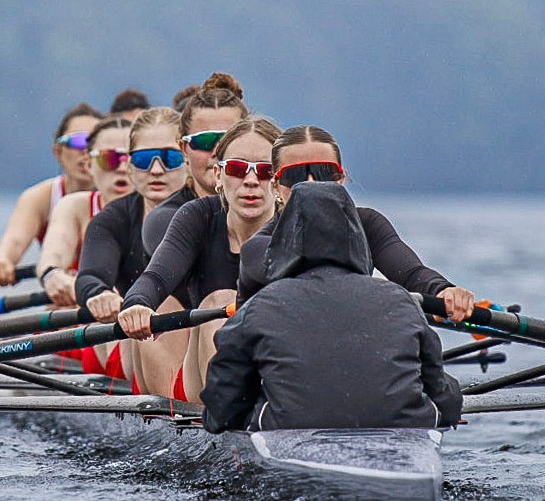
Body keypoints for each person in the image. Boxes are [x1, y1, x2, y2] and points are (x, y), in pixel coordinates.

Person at [199, 181, 464, 433]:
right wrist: (450, 406)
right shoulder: (401, 300)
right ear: (356, 237)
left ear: (286, 240)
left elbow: (222, 401)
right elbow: (443, 394)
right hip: (405, 425)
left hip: (286, 428)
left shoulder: (260, 305)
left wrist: (217, 421)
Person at [238, 125, 477, 322]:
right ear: (276, 186)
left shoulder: (368, 224)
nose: (311, 185)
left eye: (323, 172)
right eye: (296, 176)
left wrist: (442, 291)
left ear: (340, 179)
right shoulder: (259, 245)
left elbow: (412, 273)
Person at [117, 115, 281, 402]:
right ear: (218, 176)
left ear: (279, 182)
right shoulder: (197, 217)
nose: (251, 181)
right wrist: (138, 304)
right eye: (237, 169)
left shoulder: (296, 227)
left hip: (279, 371)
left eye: (265, 171)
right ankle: (228, 415)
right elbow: (156, 276)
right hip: (198, 385)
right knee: (218, 303)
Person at [72, 107, 192, 393]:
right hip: (135, 344)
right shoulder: (113, 219)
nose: (156, 170)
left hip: (200, 342)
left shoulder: (212, 212)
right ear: (129, 166)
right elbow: (90, 276)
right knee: (159, 303)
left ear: (188, 159)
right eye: (142, 159)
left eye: (169, 158)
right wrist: (99, 294)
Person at [0, 102, 103, 285]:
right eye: (78, 141)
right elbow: (15, 241)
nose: (86, 151)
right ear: (57, 151)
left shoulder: (119, 195)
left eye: (95, 143)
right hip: (63, 297)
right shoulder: (40, 197)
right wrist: (3, 261)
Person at [142, 73, 250, 252]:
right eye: (204, 141)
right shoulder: (165, 220)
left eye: (227, 140)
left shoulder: (275, 213)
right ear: (184, 149)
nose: (217, 151)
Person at [35, 114, 134, 307]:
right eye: (109, 158)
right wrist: (53, 275)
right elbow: (54, 254)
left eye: (130, 158)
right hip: (83, 318)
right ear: (89, 165)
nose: (122, 168)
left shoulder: (162, 210)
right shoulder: (74, 206)